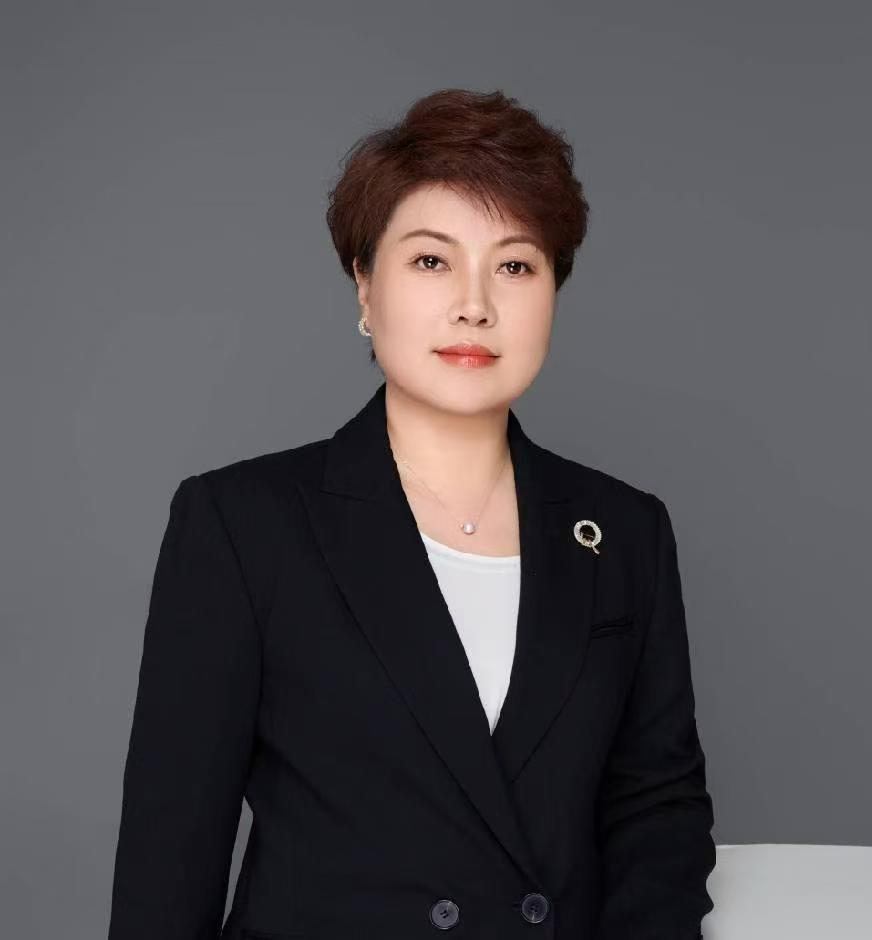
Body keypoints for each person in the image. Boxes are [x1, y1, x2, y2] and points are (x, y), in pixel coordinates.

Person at [107, 87, 715, 940]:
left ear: (554, 290)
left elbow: (657, 809)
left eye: (515, 265)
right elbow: (170, 855)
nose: (475, 303)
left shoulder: (624, 532)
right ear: (365, 286)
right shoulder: (243, 525)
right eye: (432, 261)